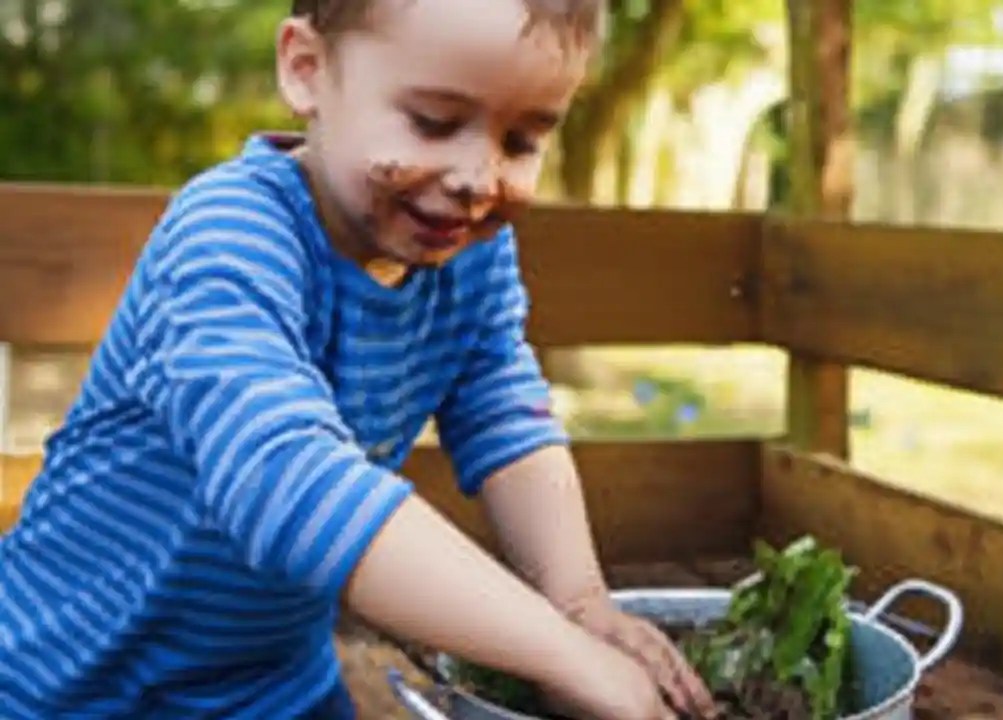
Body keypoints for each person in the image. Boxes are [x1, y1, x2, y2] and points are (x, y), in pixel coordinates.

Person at [0, 1, 720, 718]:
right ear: (307, 70)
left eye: (523, 140)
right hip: (65, 685)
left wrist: (580, 605)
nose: (477, 176)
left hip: (271, 690)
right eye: (434, 123)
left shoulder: (470, 257)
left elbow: (506, 417)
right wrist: (562, 653)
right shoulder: (229, 237)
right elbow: (289, 483)